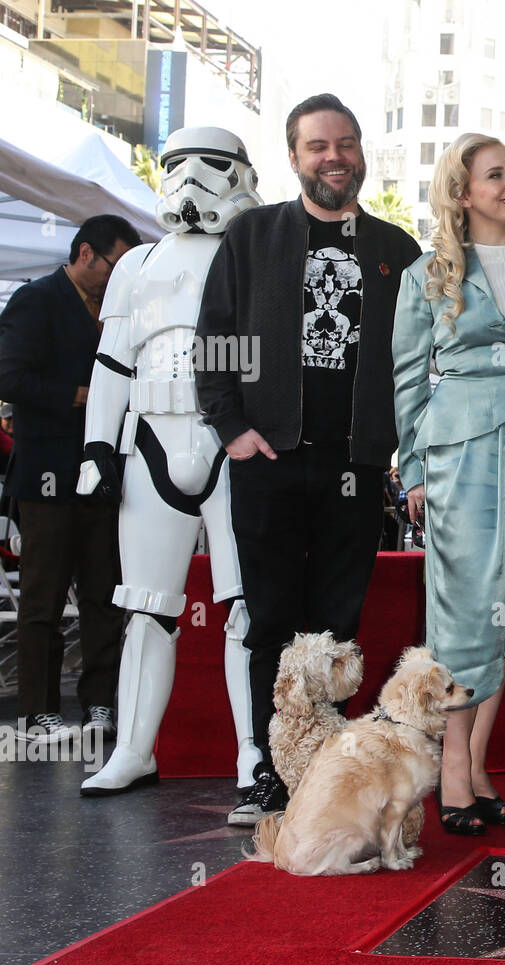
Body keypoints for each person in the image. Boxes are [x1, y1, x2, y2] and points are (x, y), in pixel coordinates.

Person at [195, 94, 421, 825]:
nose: (334, 157)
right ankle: (267, 769)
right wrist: (232, 428)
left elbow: (417, 360)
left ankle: (327, 773)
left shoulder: (396, 250)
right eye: (318, 145)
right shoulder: (252, 236)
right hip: (265, 459)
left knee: (336, 624)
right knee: (271, 621)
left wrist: (394, 448)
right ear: (293, 157)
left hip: (355, 467)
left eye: (346, 143)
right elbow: (217, 339)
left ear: (361, 153)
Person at [77, 127, 263, 797]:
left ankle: (254, 752)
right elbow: (113, 363)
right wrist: (97, 449)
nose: (191, 177)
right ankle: (133, 747)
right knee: (148, 609)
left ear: (240, 173)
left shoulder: (257, 255)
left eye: (210, 164)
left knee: (246, 605)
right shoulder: (136, 266)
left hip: (232, 439)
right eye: (176, 163)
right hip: (150, 438)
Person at [392, 132, 505, 834]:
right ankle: (452, 768)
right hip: (460, 450)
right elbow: (406, 382)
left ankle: (479, 765)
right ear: (462, 193)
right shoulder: (425, 275)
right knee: (463, 612)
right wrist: (415, 469)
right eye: (494, 175)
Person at [0, 215, 140, 742]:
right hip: (47, 478)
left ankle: (99, 702)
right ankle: (38, 711)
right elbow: (8, 375)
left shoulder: (119, 309)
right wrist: (81, 395)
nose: (117, 275)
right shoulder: (35, 300)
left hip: (103, 477)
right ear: (85, 253)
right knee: (44, 599)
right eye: (113, 264)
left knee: (105, 596)